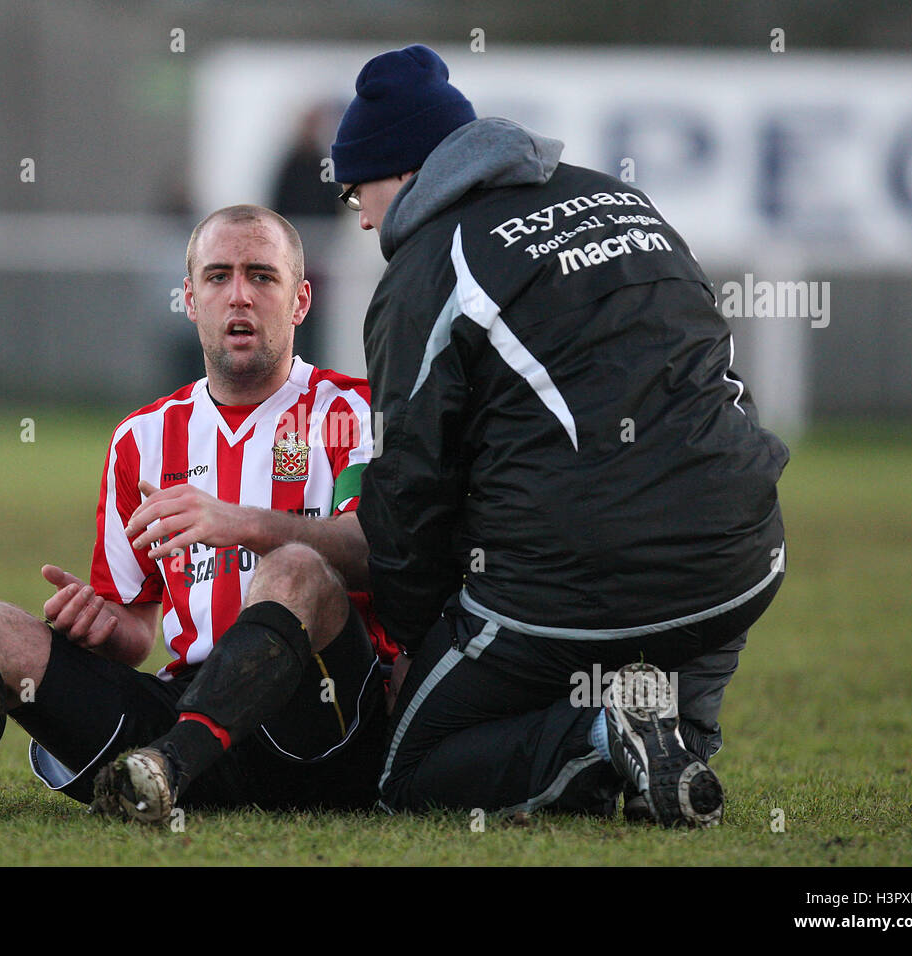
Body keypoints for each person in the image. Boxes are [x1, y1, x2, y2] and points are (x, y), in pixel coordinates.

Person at [0, 204, 395, 824]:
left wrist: (241, 521)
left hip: (317, 729)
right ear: (189, 299)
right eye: (217, 277)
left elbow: (372, 552)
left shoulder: (353, 412)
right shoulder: (143, 438)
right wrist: (106, 629)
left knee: (296, 566)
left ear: (300, 301)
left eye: (262, 277)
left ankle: (168, 768)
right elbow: (136, 622)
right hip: (184, 714)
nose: (238, 295)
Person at [331, 45, 789, 826]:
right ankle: (677, 740)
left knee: (407, 771)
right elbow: (721, 378)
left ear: (404, 173)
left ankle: (609, 735)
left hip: (578, 588)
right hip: (740, 564)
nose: (364, 216)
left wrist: (419, 637)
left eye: (356, 192)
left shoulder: (426, 271)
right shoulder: (623, 203)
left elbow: (412, 484)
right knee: (668, 664)